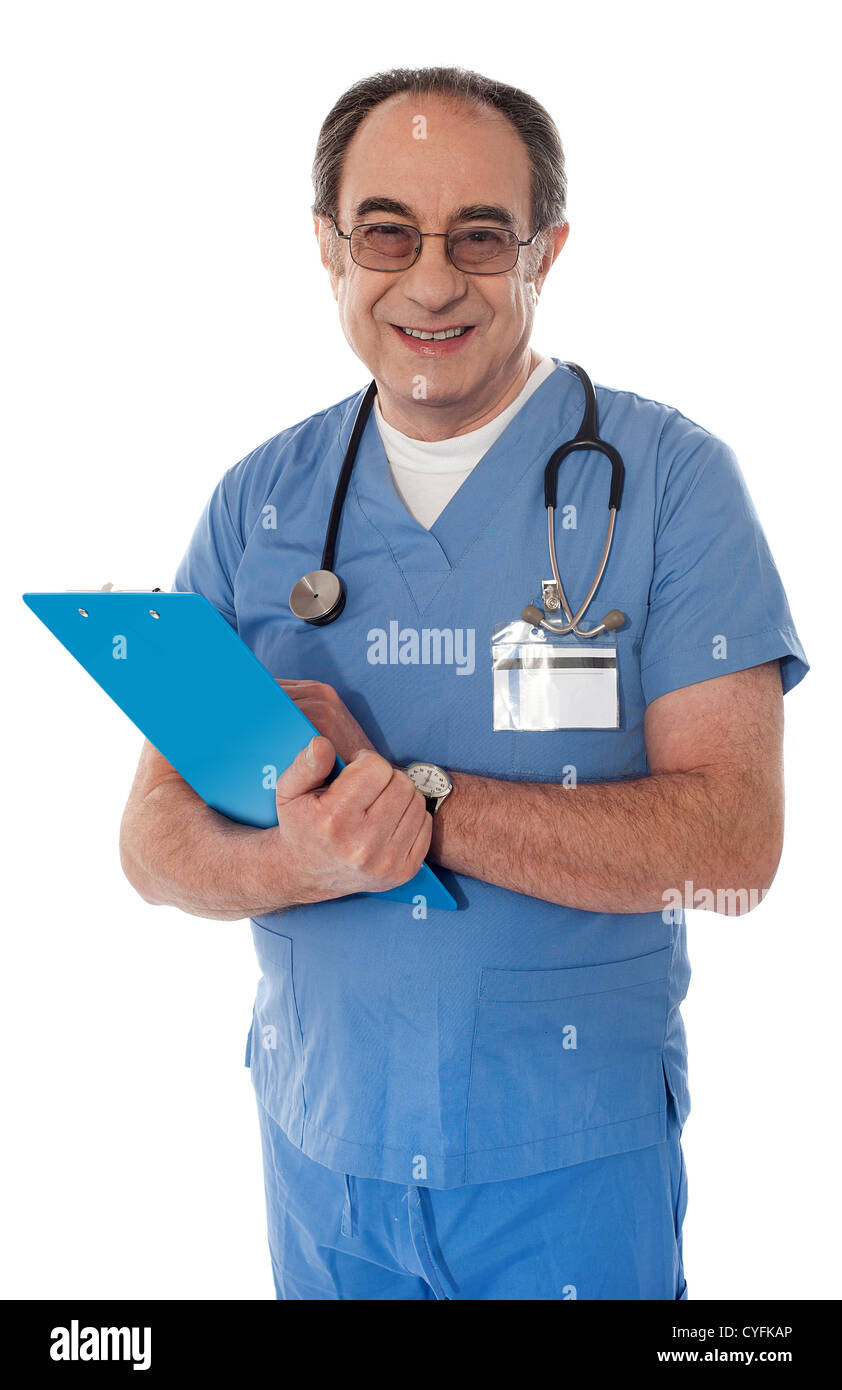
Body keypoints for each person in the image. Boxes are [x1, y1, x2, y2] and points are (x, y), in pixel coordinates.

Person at [119, 66, 808, 1301]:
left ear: (546, 250)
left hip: (571, 1171)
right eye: (386, 230)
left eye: (479, 237)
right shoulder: (256, 505)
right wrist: (313, 857)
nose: (430, 280)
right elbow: (153, 839)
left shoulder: (671, 482)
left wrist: (423, 805)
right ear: (326, 246)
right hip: (321, 1161)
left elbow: (735, 841)